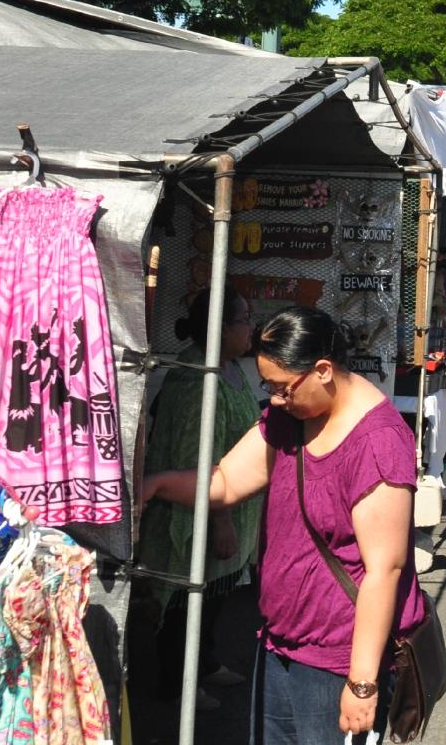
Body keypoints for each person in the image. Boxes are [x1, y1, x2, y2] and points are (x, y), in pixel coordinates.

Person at [142, 307, 426, 745]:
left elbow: (384, 570)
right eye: (268, 387)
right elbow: (227, 480)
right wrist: (157, 484)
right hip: (281, 643)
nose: (274, 400)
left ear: (323, 370)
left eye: (282, 387)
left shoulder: (378, 443)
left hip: (339, 659)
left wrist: (362, 682)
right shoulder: (290, 417)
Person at [137, 290, 262, 705]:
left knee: (214, 595)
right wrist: (220, 520)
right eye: (244, 319)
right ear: (221, 328)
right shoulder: (196, 376)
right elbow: (197, 454)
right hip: (196, 509)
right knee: (186, 600)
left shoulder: (230, 367)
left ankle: (204, 663)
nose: (251, 327)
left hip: (230, 504)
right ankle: (177, 685)